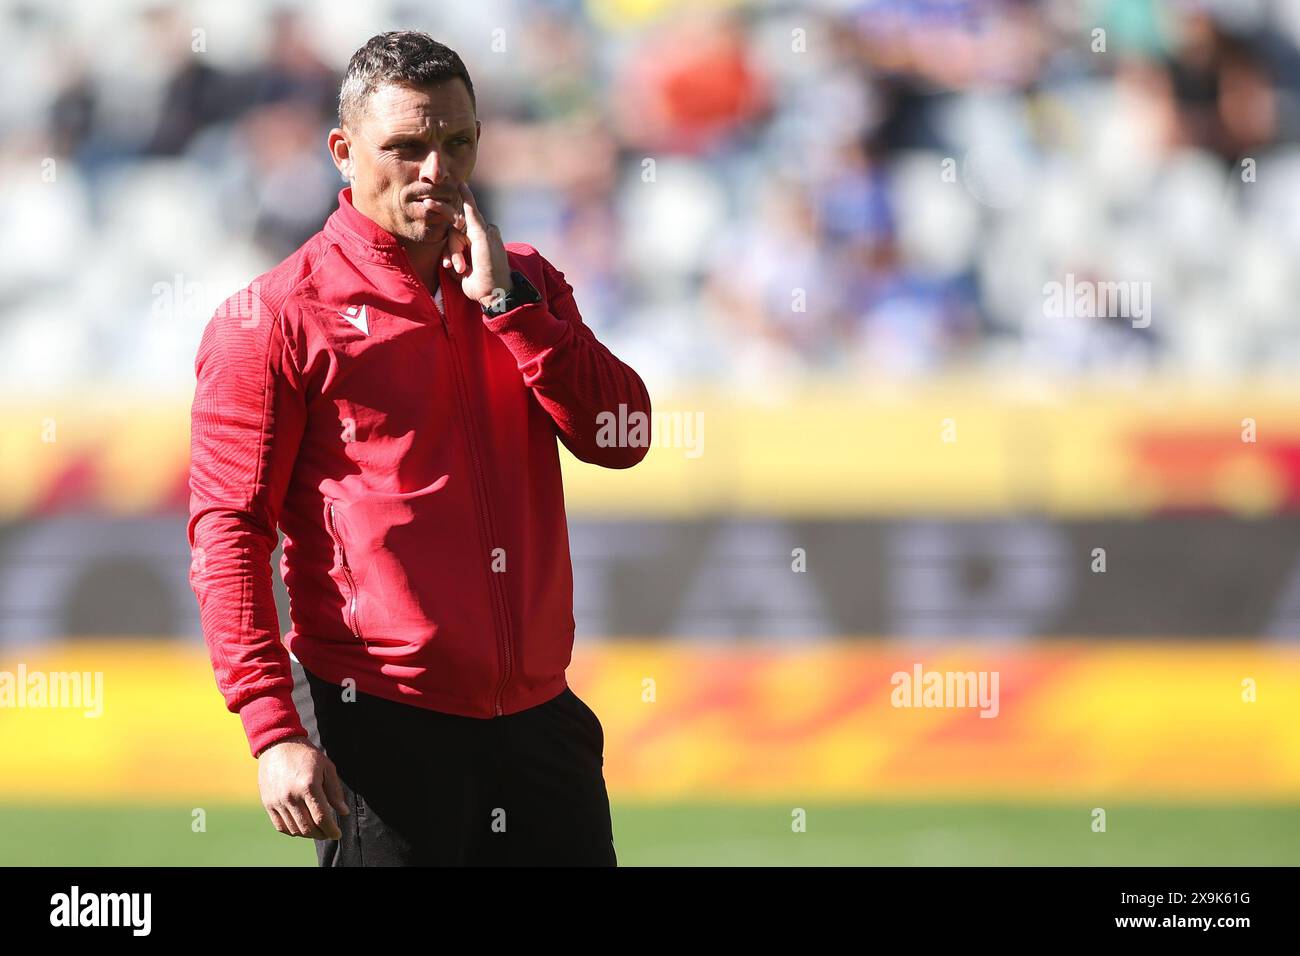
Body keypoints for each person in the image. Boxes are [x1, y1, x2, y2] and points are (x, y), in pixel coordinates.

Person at [186, 31, 651, 866]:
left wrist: (513, 310)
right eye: (406, 147)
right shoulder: (275, 318)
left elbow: (625, 437)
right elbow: (229, 533)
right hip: (382, 728)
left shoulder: (528, 281)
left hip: (542, 724)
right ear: (343, 151)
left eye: (458, 141)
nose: (437, 169)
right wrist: (271, 731)